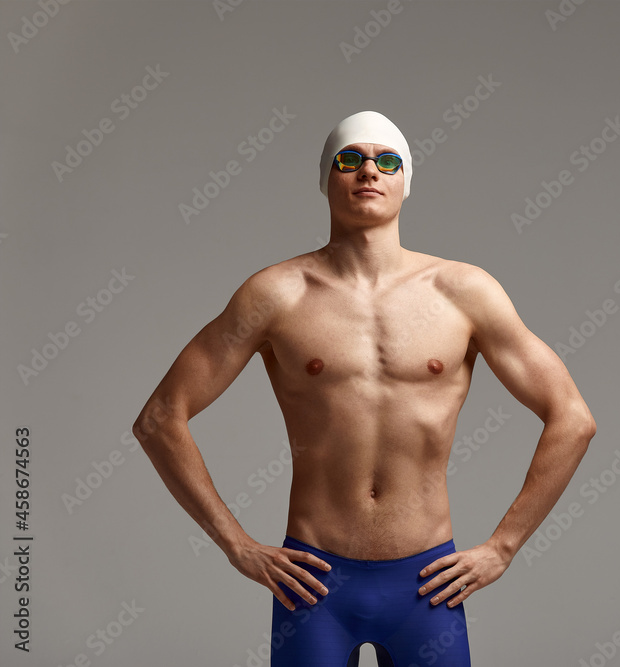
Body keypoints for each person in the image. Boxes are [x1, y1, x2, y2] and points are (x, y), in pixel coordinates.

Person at [132, 110, 596, 666]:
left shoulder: (464, 291)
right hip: (314, 584)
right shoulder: (276, 294)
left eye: (387, 161)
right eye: (349, 160)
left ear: (406, 182)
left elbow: (572, 417)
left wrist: (503, 547)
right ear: (328, 179)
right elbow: (161, 418)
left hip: (427, 583)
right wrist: (237, 546)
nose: (369, 172)